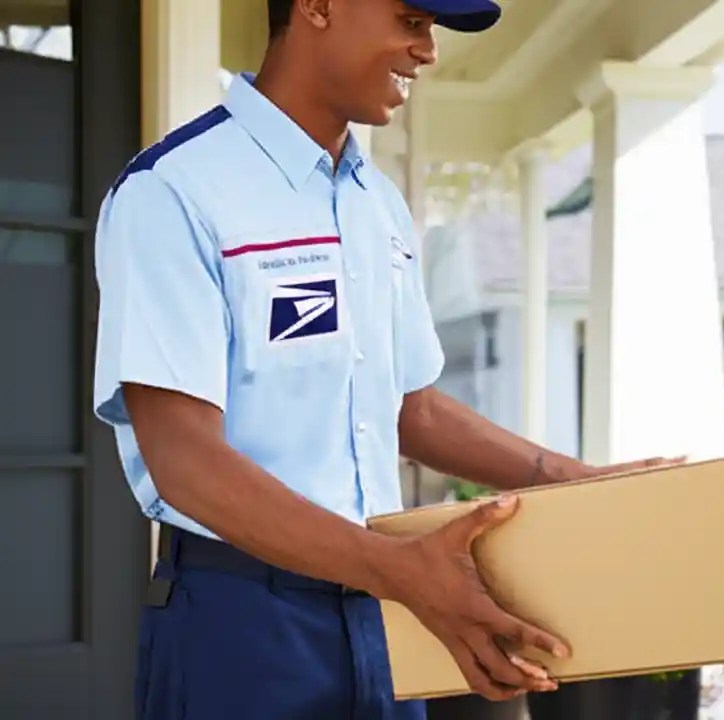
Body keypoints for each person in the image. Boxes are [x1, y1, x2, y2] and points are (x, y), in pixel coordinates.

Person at [91, 1, 674, 718]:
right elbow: (183, 461)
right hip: (241, 621)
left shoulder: (377, 204)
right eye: (410, 19)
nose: (426, 52)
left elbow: (410, 405)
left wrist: (575, 480)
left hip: (382, 612)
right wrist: (403, 572)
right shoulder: (174, 191)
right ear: (318, 7)